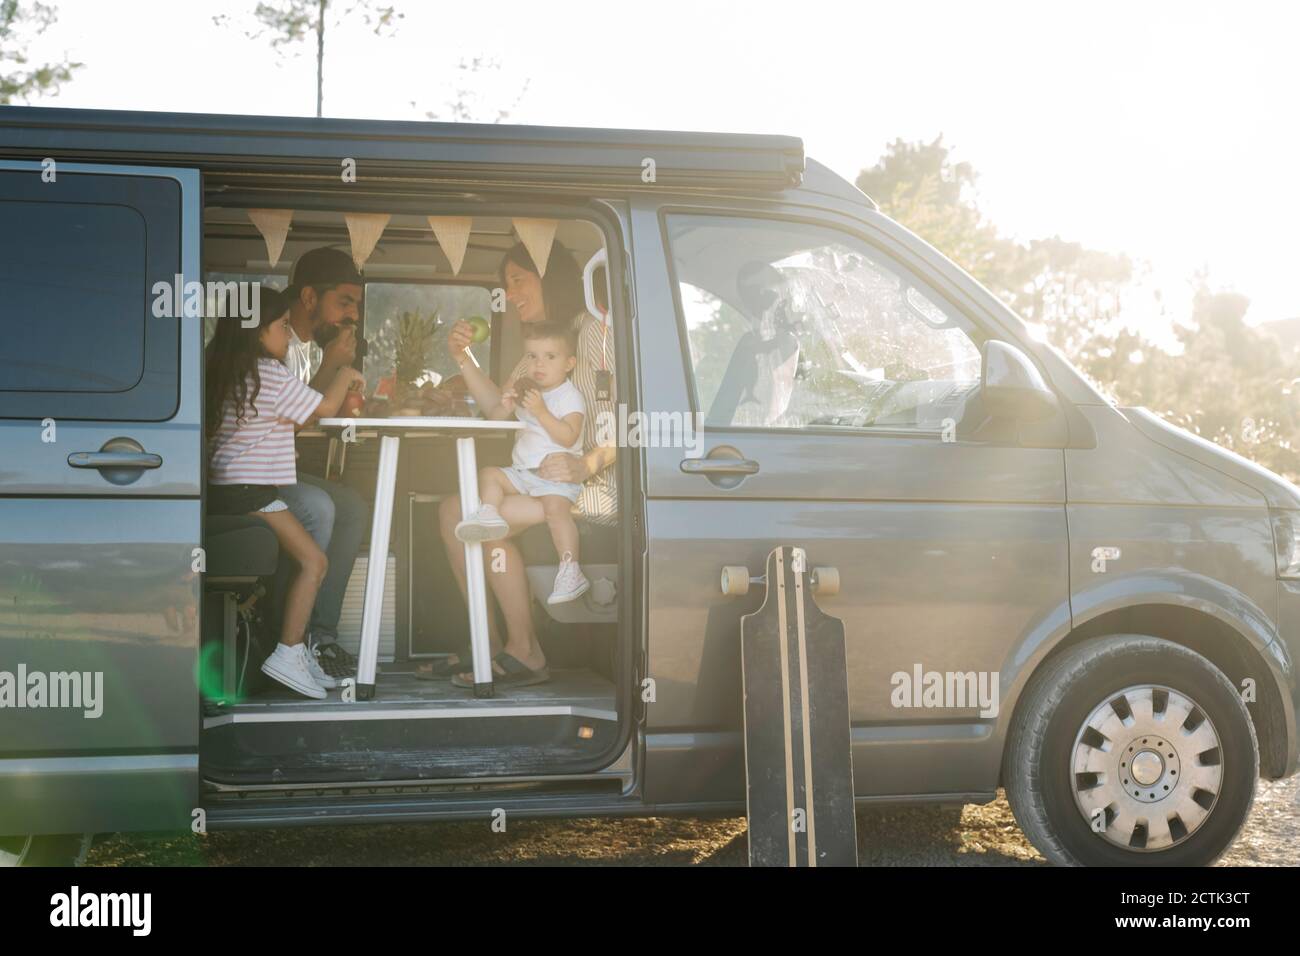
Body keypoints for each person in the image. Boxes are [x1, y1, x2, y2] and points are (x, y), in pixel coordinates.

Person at [419, 239, 617, 688]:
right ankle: (487, 644)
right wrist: (461, 358)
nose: (509, 294)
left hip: (589, 487)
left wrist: (586, 464)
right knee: (454, 511)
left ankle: (524, 650)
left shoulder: (586, 334)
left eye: (518, 280)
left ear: (549, 278)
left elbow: (631, 417)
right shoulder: (538, 346)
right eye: (505, 285)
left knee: (470, 518)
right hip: (538, 480)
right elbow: (498, 411)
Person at [205, 287, 365, 698]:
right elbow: (323, 409)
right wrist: (345, 373)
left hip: (230, 488)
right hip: (253, 491)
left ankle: (294, 650)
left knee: (311, 559)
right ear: (258, 332)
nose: (288, 335)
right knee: (315, 563)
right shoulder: (269, 372)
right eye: (281, 327)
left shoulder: (231, 370)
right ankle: (289, 650)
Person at [275, 246, 370, 679]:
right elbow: (290, 421)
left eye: (356, 305)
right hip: (245, 474)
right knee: (320, 505)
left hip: (274, 464)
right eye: (344, 302)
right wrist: (334, 366)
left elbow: (295, 414)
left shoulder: (302, 345)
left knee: (351, 506)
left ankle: (321, 637)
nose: (352, 315)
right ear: (310, 298)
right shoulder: (276, 340)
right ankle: (288, 642)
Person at [455, 319, 591, 610]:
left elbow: (568, 437)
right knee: (489, 474)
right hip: (522, 474)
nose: (539, 364)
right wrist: (506, 404)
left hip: (555, 479)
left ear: (569, 363)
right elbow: (495, 419)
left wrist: (541, 412)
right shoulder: (528, 392)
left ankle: (571, 570)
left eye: (550, 357)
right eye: (532, 356)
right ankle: (488, 514)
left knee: (557, 511)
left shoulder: (570, 396)